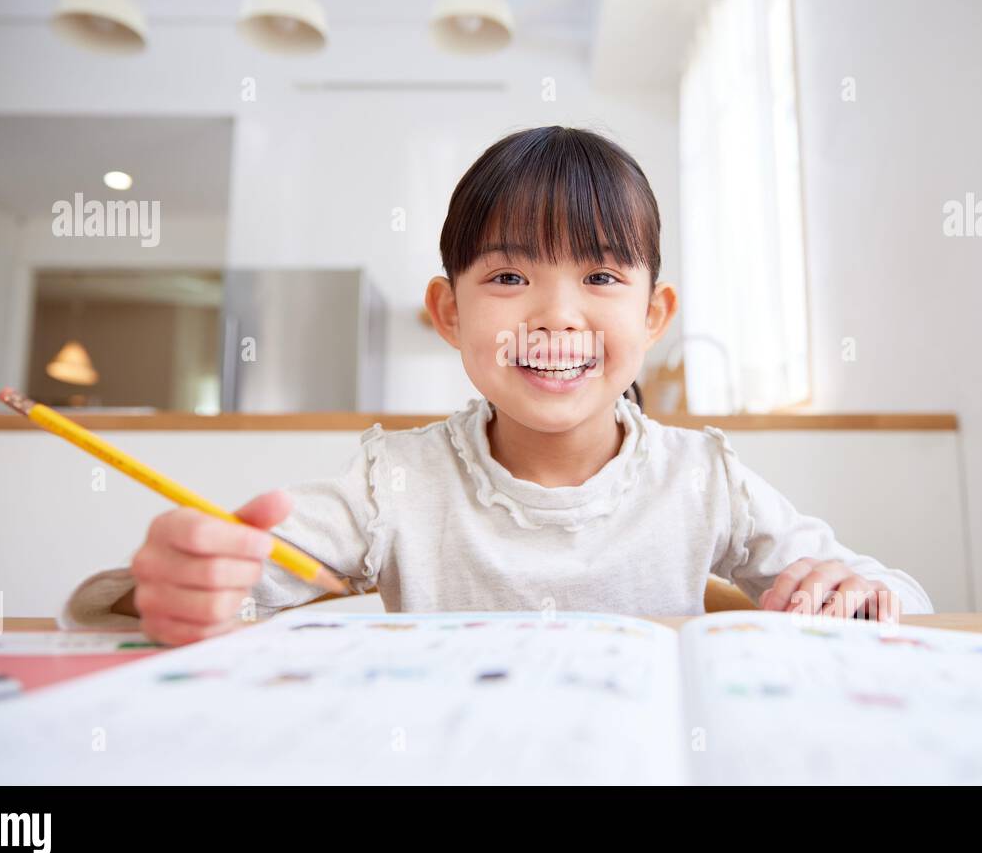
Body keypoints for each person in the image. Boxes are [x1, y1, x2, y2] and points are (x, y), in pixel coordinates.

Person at [62, 126, 933, 644]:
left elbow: (897, 596)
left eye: (599, 277)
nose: (557, 317)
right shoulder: (391, 480)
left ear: (655, 313)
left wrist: (862, 590)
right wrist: (169, 587)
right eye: (511, 278)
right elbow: (190, 595)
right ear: (448, 313)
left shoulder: (703, 475)